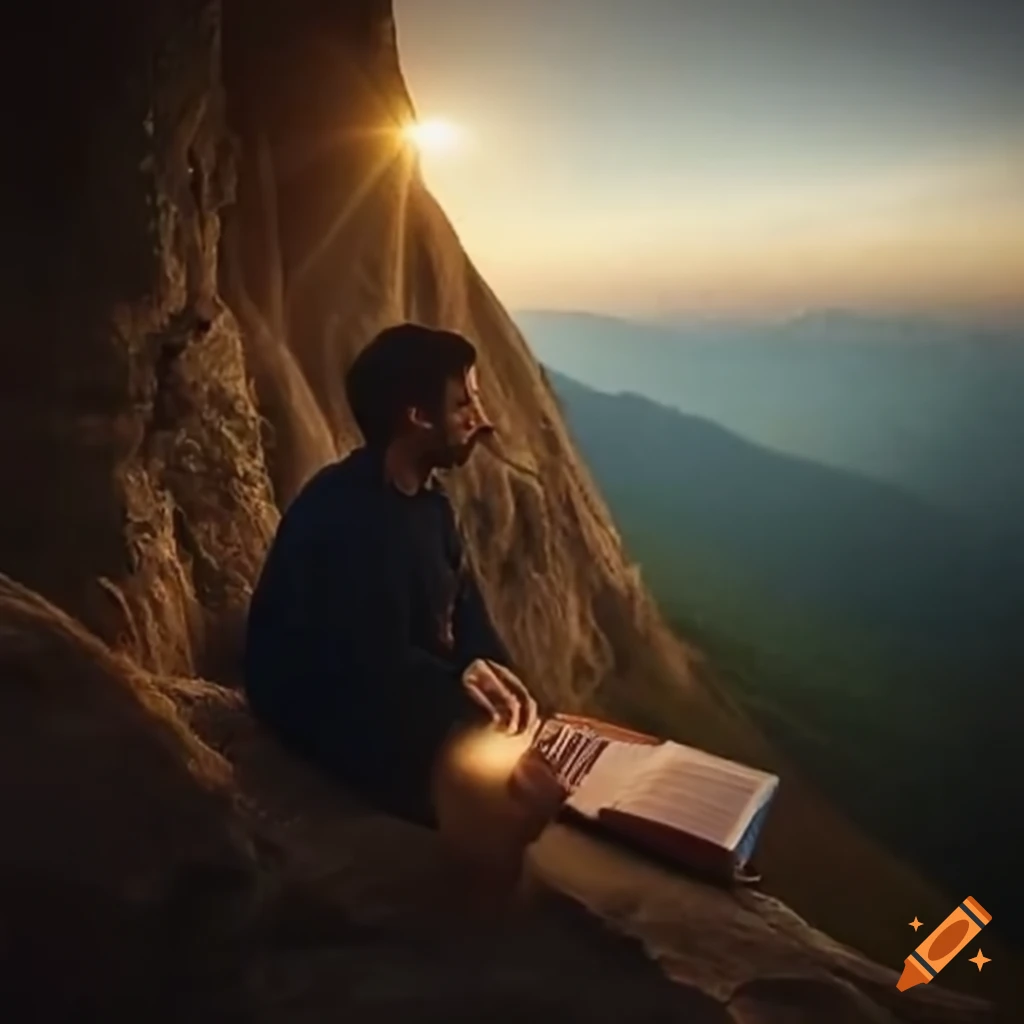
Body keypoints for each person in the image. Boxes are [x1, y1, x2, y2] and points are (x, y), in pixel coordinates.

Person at [243, 322, 565, 905]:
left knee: (541, 776)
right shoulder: (339, 514)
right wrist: (455, 692)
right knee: (521, 816)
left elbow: (466, 614)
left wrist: (503, 683)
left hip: (411, 698)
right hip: (339, 712)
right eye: (464, 402)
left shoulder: (431, 509)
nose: (481, 417)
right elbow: (359, 660)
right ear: (417, 417)